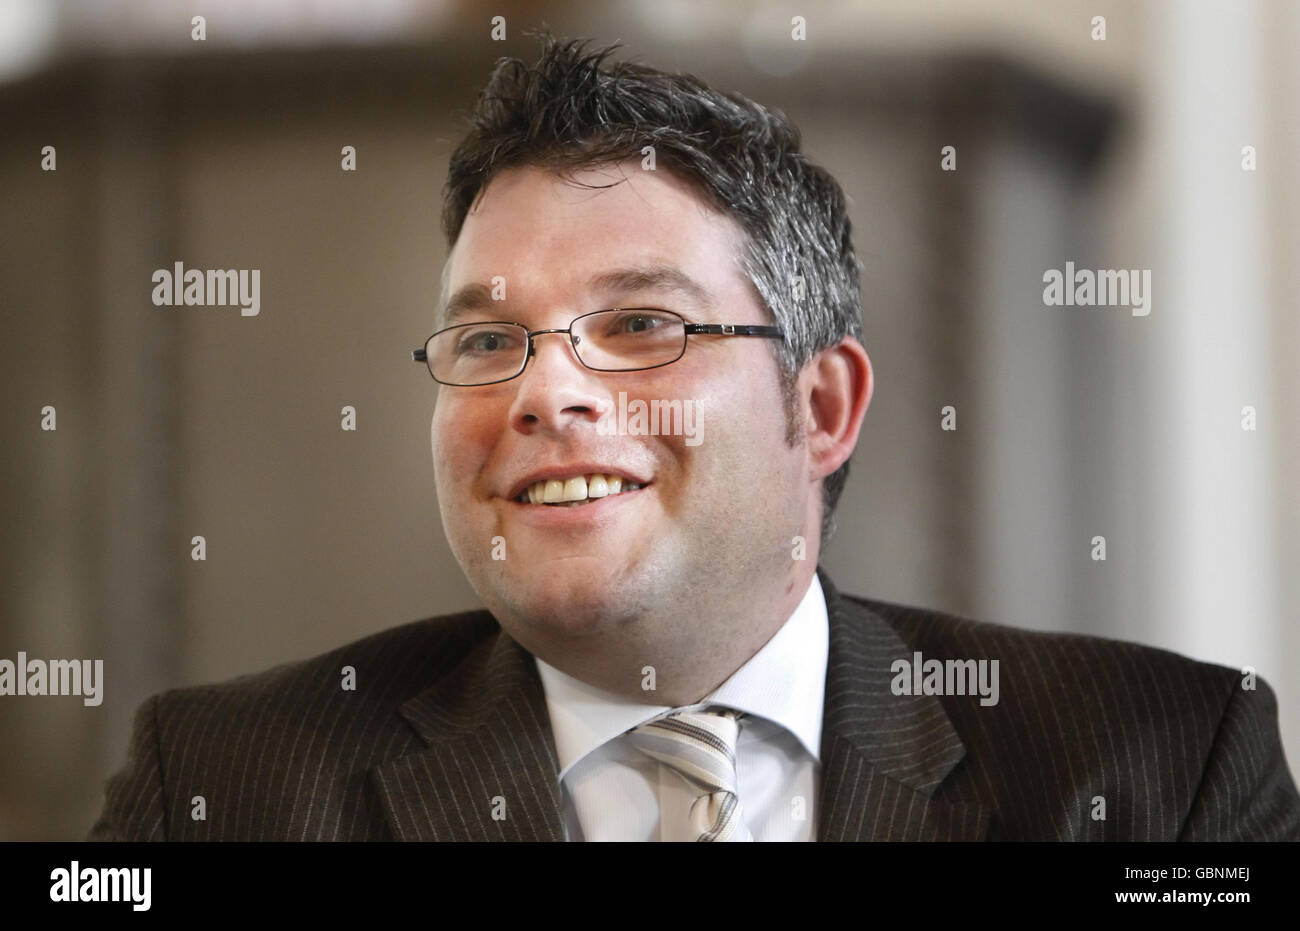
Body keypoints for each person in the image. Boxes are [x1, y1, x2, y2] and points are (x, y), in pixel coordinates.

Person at [89, 33, 1300, 842]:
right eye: (488, 340)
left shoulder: (1161, 770)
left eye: (639, 324)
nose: (545, 392)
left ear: (818, 408)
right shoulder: (217, 785)